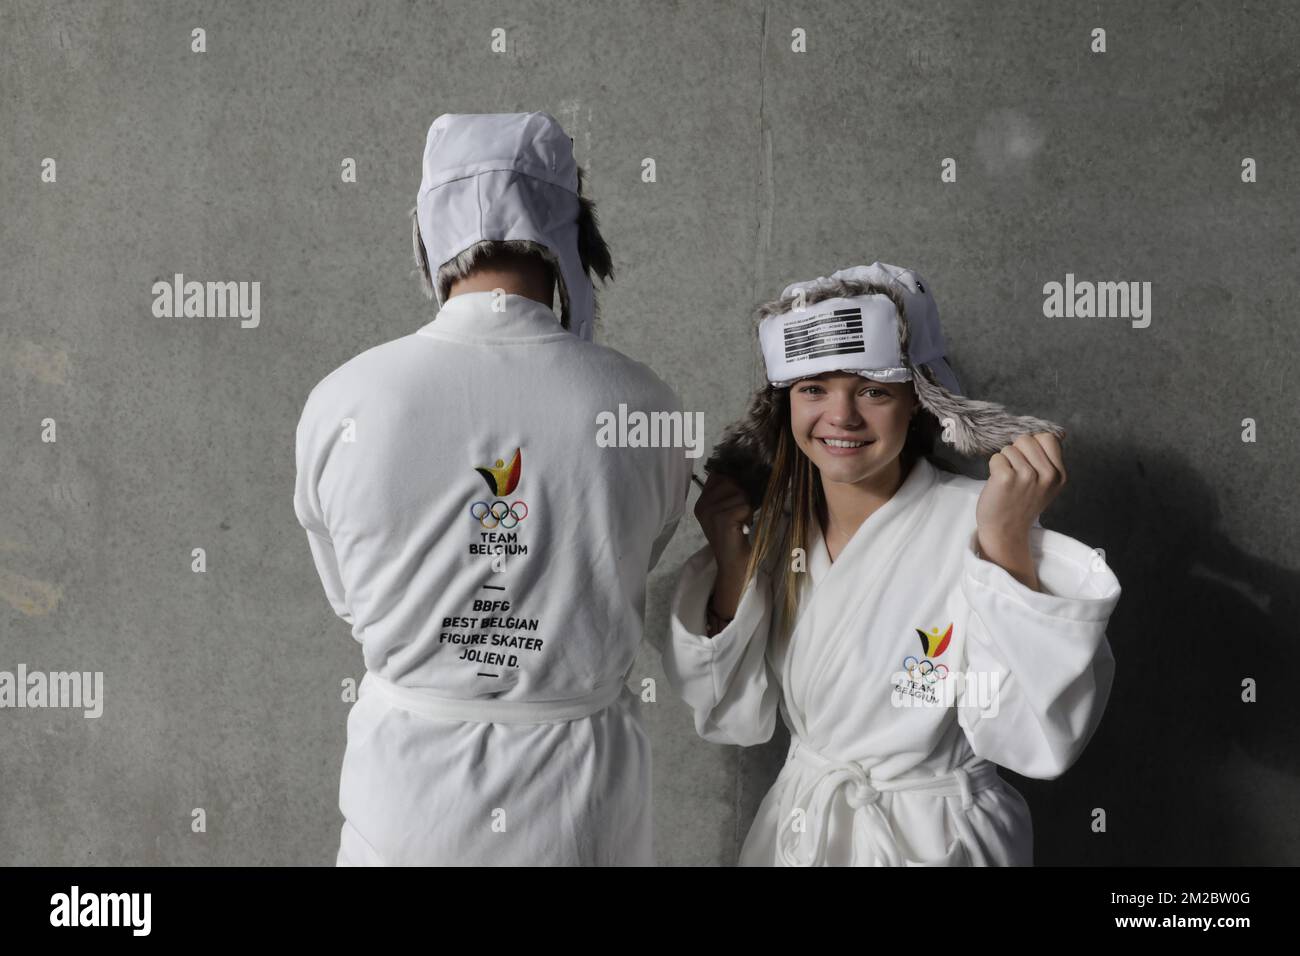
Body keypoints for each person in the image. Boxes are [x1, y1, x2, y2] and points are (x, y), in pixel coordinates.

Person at [293, 111, 692, 865]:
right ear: (573, 229)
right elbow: (631, 554)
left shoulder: (345, 398)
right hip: (579, 804)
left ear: (429, 227)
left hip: (407, 798)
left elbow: (349, 594)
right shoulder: (646, 404)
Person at [656, 261, 1120, 866]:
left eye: (873, 390)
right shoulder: (776, 532)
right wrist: (731, 557)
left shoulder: (979, 523)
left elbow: (1034, 738)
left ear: (920, 403)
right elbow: (732, 715)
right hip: (803, 826)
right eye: (813, 388)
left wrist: (1005, 541)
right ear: (784, 404)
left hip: (938, 834)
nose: (842, 416)